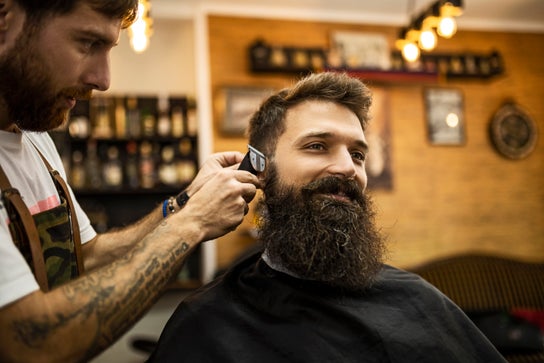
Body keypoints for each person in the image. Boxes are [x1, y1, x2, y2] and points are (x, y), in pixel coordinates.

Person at [147, 72, 508, 363]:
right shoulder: (208, 322)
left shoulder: (417, 299)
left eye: (358, 154)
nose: (347, 168)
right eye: (317, 146)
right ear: (260, 171)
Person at [0, 1, 259, 362]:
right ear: (5, 18)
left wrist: (185, 201)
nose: (104, 80)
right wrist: (192, 223)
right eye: (88, 43)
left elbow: (86, 257)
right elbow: (30, 343)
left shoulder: (35, 139)